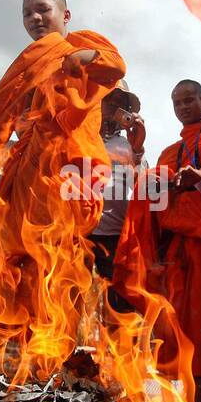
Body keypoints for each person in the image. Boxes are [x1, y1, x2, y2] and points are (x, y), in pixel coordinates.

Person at [0, 0, 125, 383]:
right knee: (14, 265)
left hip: (65, 170)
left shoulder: (76, 45)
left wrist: (80, 59)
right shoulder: (26, 61)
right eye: (28, 13)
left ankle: (51, 358)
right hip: (25, 170)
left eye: (43, 10)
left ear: (66, 15)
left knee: (55, 263)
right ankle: (16, 361)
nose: (35, 18)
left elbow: (114, 66)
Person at [118, 79, 201, 402]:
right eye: (177, 102)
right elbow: (151, 192)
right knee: (171, 322)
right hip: (174, 248)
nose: (183, 107)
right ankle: (167, 399)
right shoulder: (169, 151)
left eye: (189, 100)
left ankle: (199, 400)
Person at [90, 81, 145, 287]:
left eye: (119, 101)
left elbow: (141, 185)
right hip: (80, 233)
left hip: (116, 236)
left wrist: (137, 148)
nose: (113, 104)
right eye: (108, 99)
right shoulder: (80, 136)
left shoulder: (129, 144)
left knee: (117, 302)